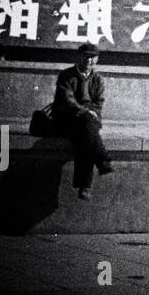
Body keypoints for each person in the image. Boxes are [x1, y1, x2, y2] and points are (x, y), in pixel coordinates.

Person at [50, 43, 115, 200]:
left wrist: (90, 113)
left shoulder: (98, 79)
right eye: (85, 56)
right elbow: (68, 101)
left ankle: (85, 184)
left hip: (90, 120)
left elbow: (99, 103)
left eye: (92, 57)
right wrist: (86, 111)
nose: (89, 60)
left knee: (85, 134)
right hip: (68, 119)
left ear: (97, 60)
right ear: (78, 57)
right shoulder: (66, 75)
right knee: (85, 130)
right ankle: (101, 162)